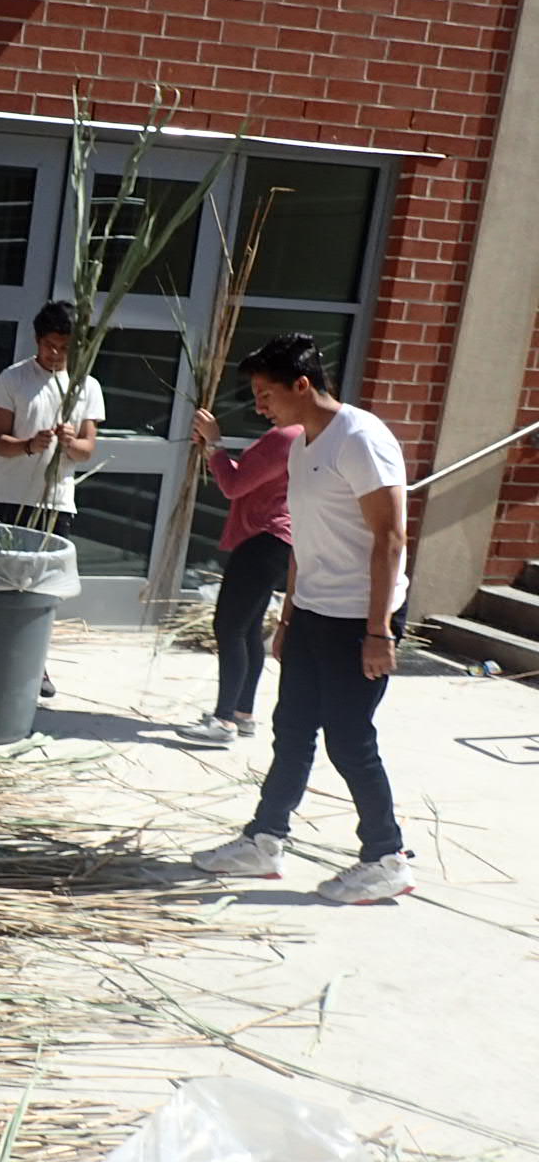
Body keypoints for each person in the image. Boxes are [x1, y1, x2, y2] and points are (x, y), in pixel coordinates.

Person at [191, 333, 414, 904]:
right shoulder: (301, 443)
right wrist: (287, 619)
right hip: (314, 609)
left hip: (360, 617)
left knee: (349, 739)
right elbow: (305, 541)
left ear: (302, 385)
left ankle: (387, 857)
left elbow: (390, 538)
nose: (261, 405)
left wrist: (378, 629)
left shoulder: (360, 439)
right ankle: (265, 841)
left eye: (267, 394)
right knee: (291, 730)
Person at [0, 299, 105, 697]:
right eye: (49, 345)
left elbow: (89, 449)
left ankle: (35, 665)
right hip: (8, 494)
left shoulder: (86, 386)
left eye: (64, 347)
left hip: (55, 500)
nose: (55, 354)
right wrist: (30, 445)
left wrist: (72, 443)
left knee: (41, 587)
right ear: (37, 340)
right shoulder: (13, 378)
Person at [175, 382, 303, 746]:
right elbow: (246, 479)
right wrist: (215, 452)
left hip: (264, 537)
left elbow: (232, 486)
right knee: (246, 629)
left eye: (267, 396)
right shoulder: (302, 435)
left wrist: (214, 443)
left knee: (228, 626)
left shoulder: (285, 436)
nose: (261, 407)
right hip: (277, 539)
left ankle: (224, 721)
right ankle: (241, 713)